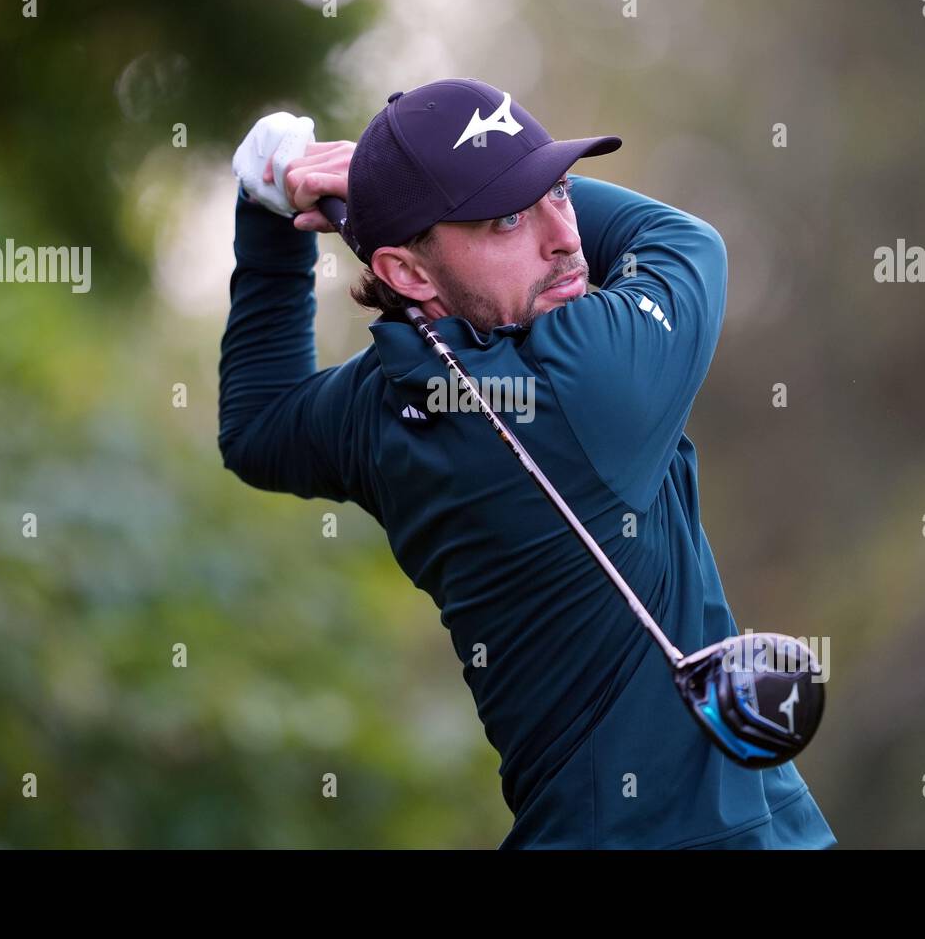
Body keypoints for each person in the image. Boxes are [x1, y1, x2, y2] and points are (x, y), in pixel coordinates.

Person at [218, 77, 837, 849]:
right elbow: (683, 241)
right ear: (406, 272)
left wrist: (268, 216)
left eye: (562, 191)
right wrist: (367, 183)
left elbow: (257, 424)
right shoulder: (592, 380)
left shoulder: (380, 404)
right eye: (507, 217)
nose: (566, 237)